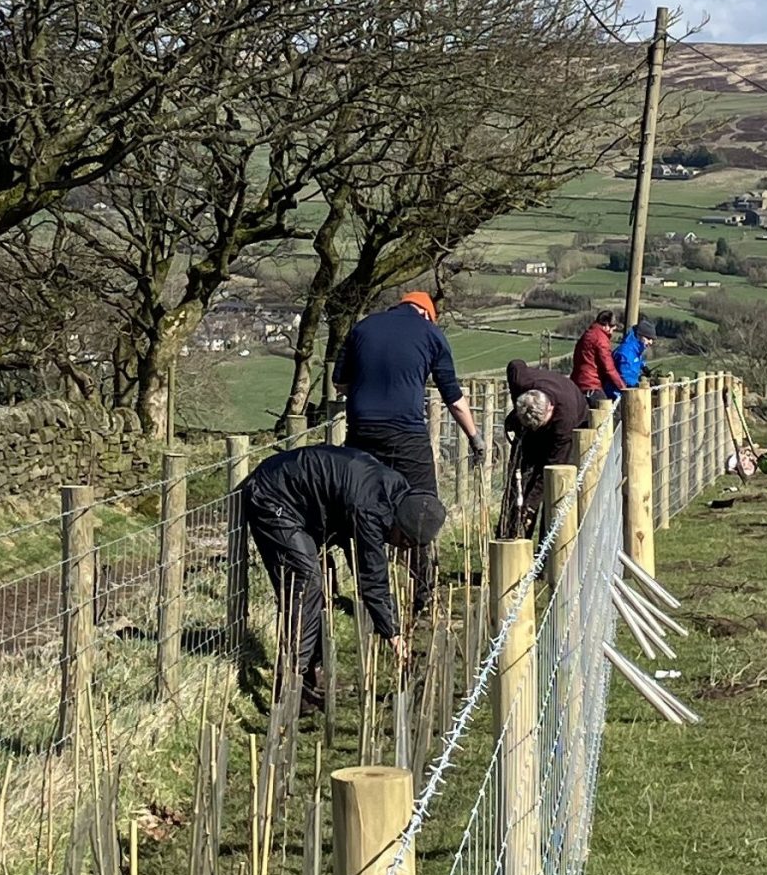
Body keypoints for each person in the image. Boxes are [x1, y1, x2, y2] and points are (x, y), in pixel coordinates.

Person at [242, 444, 447, 711]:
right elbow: (371, 577)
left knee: (320, 583)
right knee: (305, 583)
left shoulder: (394, 494)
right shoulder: (372, 509)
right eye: (405, 543)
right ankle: (291, 687)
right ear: (402, 528)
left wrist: (388, 619)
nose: (402, 549)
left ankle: (312, 675)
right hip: (273, 496)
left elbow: (365, 561)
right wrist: (393, 633)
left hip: (299, 499)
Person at [333, 291, 480, 611]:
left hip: (364, 435)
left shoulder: (362, 327)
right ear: (427, 314)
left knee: (361, 506)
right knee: (421, 507)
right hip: (407, 436)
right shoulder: (431, 334)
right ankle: (423, 593)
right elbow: (453, 398)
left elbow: (340, 384)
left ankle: (369, 592)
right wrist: (474, 436)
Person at [497, 358, 587, 538]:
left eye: (538, 424)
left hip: (573, 428)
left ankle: (545, 549)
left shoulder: (565, 418)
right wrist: (516, 411)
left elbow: (549, 468)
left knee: (554, 489)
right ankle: (512, 534)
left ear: (549, 408)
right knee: (518, 478)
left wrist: (531, 503)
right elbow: (514, 364)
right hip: (535, 422)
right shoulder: (521, 380)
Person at [571, 310, 625, 401]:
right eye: (612, 328)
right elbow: (609, 368)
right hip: (592, 385)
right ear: (606, 325)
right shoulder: (601, 340)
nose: (612, 332)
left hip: (578, 384)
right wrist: (622, 387)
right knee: (605, 412)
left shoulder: (587, 334)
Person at [614, 320, 654, 390]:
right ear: (639, 335)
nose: (651, 342)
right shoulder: (625, 351)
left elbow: (637, 359)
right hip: (618, 392)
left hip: (627, 389)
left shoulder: (636, 349)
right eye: (648, 338)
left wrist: (644, 367)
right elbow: (625, 375)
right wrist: (637, 385)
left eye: (652, 339)